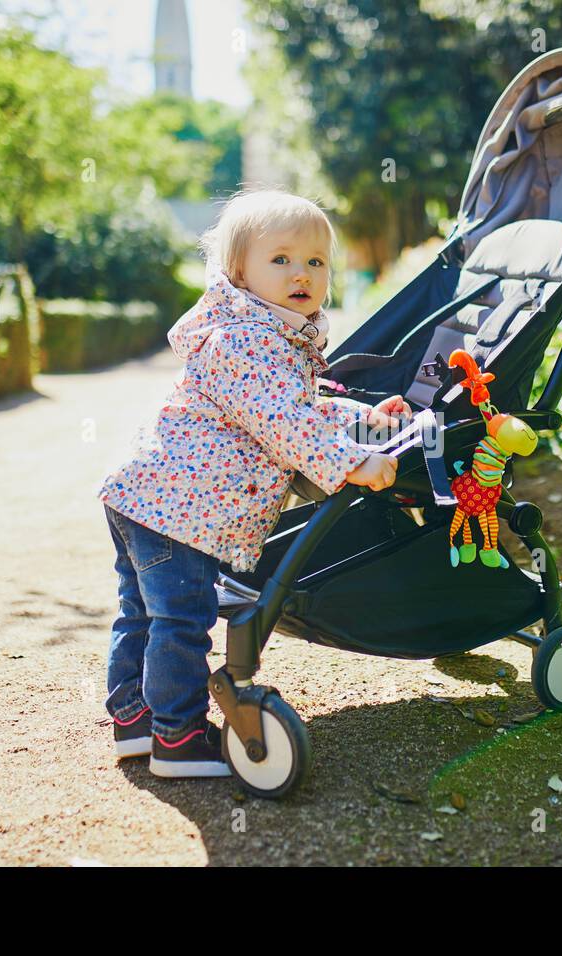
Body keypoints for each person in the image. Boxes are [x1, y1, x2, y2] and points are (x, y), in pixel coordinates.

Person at [97, 187, 409, 777]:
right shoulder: (245, 342)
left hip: (148, 497)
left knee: (141, 612)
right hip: (177, 510)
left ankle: (135, 720)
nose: (303, 273)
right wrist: (348, 463)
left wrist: (363, 419)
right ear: (238, 271)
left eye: (316, 262)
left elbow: (296, 408)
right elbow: (283, 420)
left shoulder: (264, 336)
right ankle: (178, 739)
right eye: (282, 258)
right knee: (180, 621)